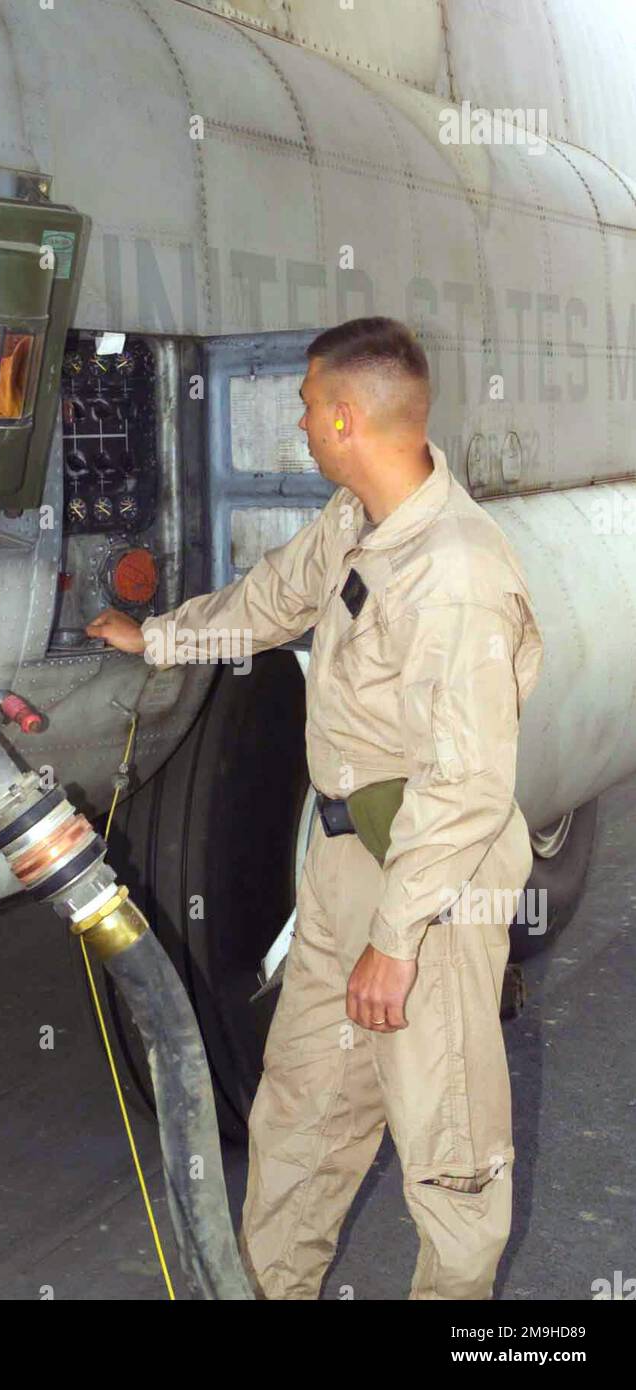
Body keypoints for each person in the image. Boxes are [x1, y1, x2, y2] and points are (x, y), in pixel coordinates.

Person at [85, 316, 545, 1300]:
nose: (297, 422)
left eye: (304, 405)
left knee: (451, 1155)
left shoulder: (456, 575)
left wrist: (397, 937)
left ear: (345, 416)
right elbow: (274, 599)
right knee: (302, 1119)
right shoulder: (358, 518)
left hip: (431, 891)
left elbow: (465, 788)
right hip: (344, 867)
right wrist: (157, 638)